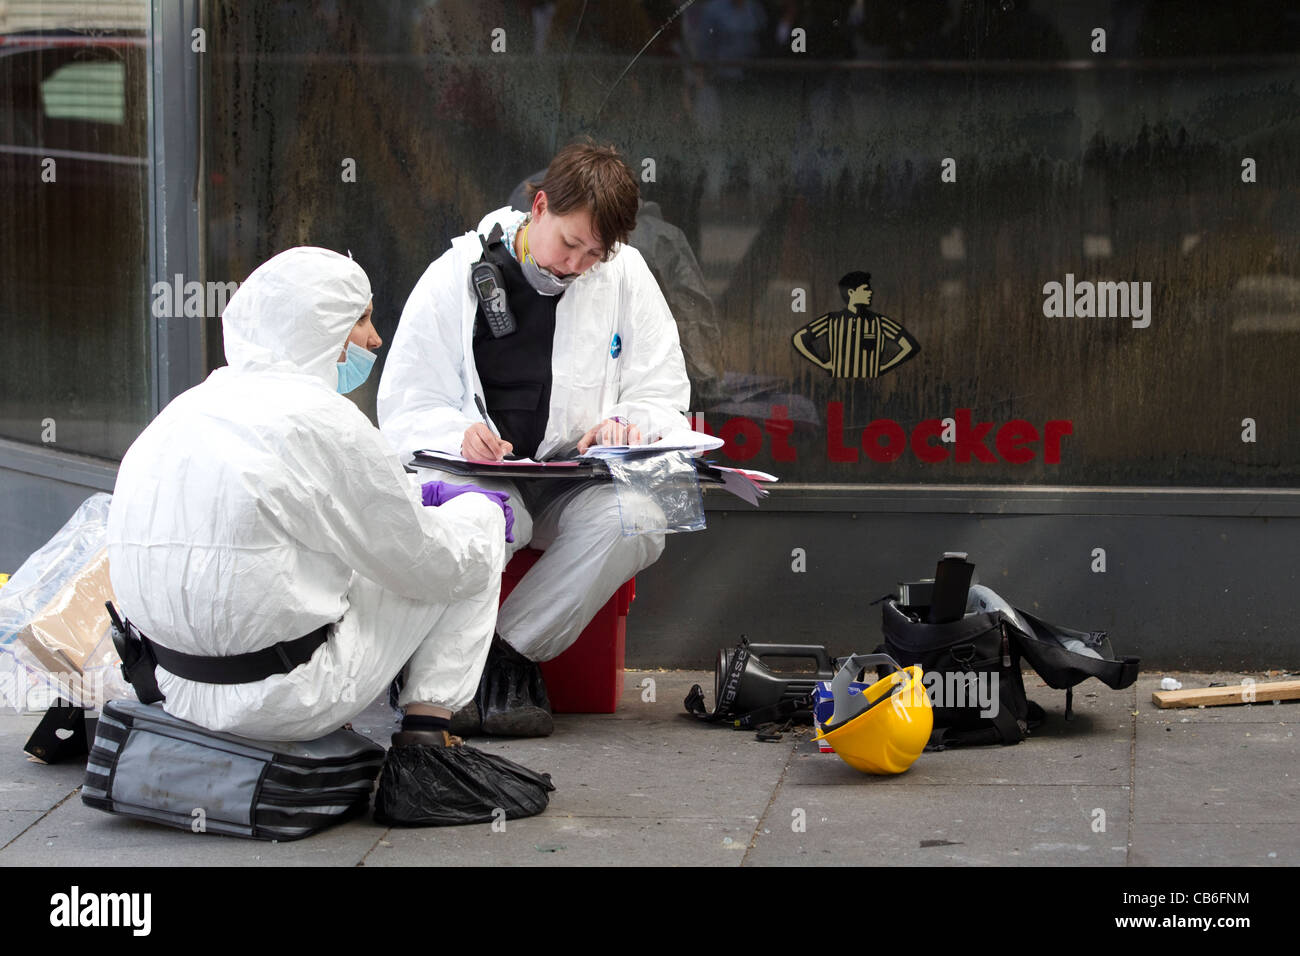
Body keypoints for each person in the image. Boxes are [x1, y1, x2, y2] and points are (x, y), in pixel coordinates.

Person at [106, 247, 514, 754]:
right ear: (319, 328)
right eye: (360, 318)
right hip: (283, 699)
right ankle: (427, 737)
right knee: (478, 528)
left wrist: (408, 500)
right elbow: (424, 562)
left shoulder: (185, 409)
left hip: (170, 686)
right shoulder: (325, 422)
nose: (375, 337)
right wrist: (474, 519)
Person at [377, 140, 691, 738]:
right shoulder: (454, 276)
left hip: (568, 482)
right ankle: (428, 668)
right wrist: (459, 433)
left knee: (642, 518)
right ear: (539, 206)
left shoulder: (624, 276)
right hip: (476, 479)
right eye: (570, 244)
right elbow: (404, 406)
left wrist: (626, 424)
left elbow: (663, 390)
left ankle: (505, 655)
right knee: (492, 518)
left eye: (594, 254)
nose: (577, 265)